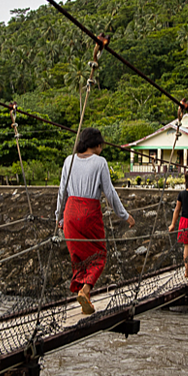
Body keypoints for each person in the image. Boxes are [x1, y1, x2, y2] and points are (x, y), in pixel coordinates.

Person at [56, 128, 136, 315]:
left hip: (70, 212)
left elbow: (62, 192)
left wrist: (59, 217)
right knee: (99, 255)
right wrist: (124, 215)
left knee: (79, 257)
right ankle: (85, 290)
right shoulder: (100, 162)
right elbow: (109, 193)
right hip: (89, 212)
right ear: (97, 144)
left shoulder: (69, 160)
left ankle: (86, 300)